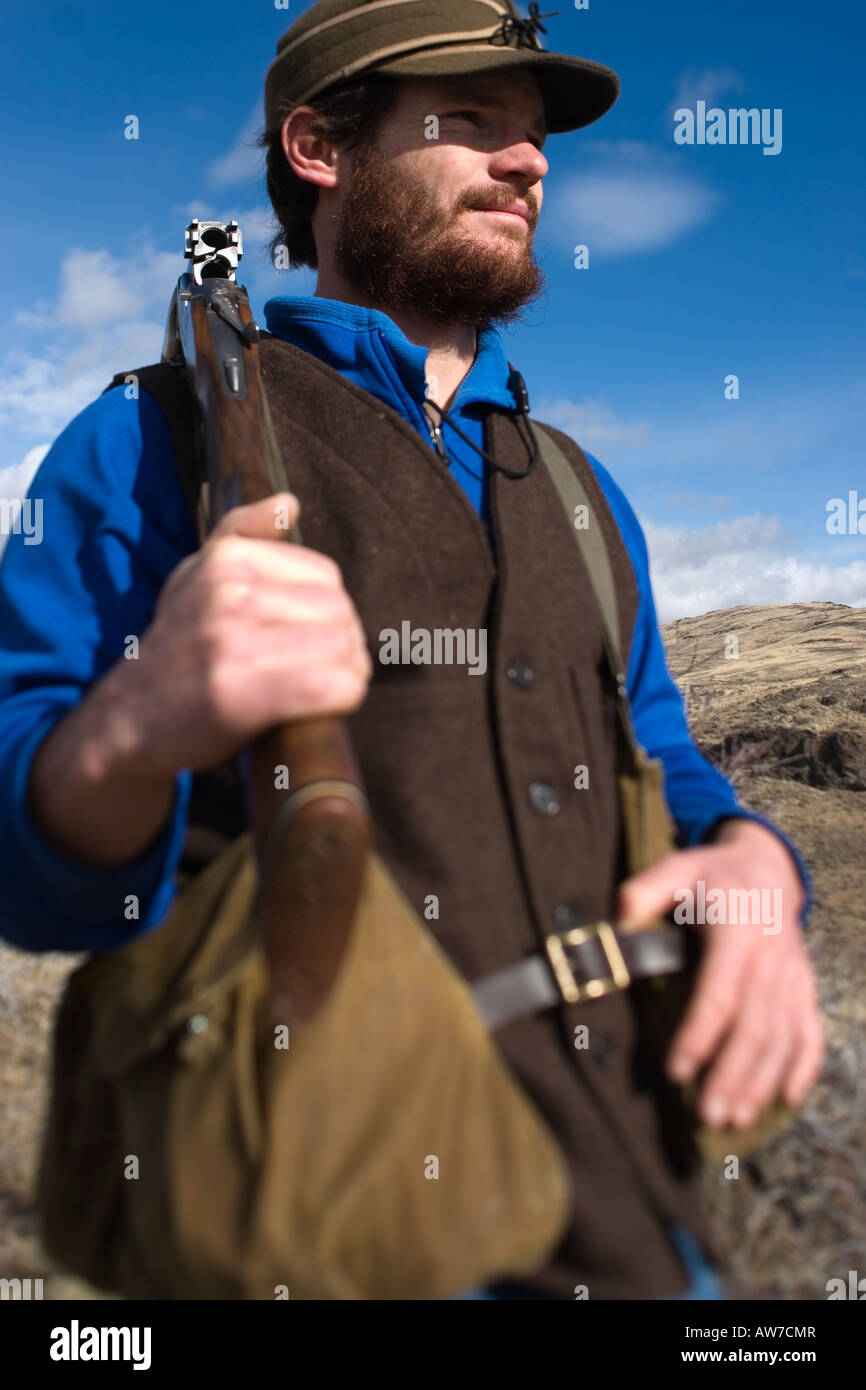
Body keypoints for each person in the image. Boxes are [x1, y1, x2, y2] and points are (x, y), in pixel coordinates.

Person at [0, 0, 824, 1299]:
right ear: (319, 146)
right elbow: (32, 877)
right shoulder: (148, 438)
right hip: (325, 1223)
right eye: (472, 121)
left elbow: (657, 752)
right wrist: (131, 727)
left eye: (536, 136)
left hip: (646, 1215)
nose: (530, 162)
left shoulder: (579, 488)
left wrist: (755, 872)